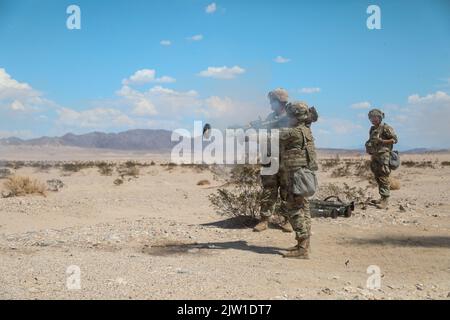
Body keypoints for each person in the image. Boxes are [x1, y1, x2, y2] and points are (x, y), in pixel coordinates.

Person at [277, 101, 319, 259]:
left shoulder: (293, 132)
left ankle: (302, 249)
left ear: (294, 116)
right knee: (304, 208)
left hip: (297, 176)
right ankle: (304, 244)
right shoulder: (306, 130)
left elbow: (273, 137)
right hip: (304, 175)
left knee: (294, 209)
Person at [253, 88, 293, 233]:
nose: (270, 104)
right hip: (270, 158)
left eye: (272, 101)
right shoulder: (271, 117)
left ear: (279, 101)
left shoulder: (291, 117)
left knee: (287, 191)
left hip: (286, 160)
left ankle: (288, 221)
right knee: (268, 190)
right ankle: (264, 220)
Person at [365, 109, 398, 209]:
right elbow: (371, 140)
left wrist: (382, 141)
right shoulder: (372, 129)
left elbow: (394, 140)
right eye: (371, 118)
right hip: (375, 156)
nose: (373, 119)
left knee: (383, 177)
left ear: (380, 117)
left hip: (384, 156)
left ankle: (385, 201)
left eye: (375, 117)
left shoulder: (386, 128)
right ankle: (382, 197)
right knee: (378, 177)